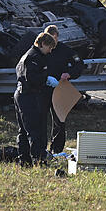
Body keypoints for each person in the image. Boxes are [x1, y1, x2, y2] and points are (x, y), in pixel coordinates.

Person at [15, 32, 61, 166]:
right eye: (49, 48)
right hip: (28, 96)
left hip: (22, 94)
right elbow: (32, 78)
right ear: (43, 44)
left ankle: (24, 159)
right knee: (35, 129)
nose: (50, 51)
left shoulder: (29, 55)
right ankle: (38, 159)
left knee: (24, 130)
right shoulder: (33, 57)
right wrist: (45, 79)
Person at [44, 24, 84, 155]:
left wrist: (70, 74)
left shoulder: (64, 50)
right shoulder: (40, 49)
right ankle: (41, 147)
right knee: (40, 119)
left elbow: (79, 64)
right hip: (43, 87)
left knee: (59, 120)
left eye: (54, 39)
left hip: (59, 88)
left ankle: (57, 148)